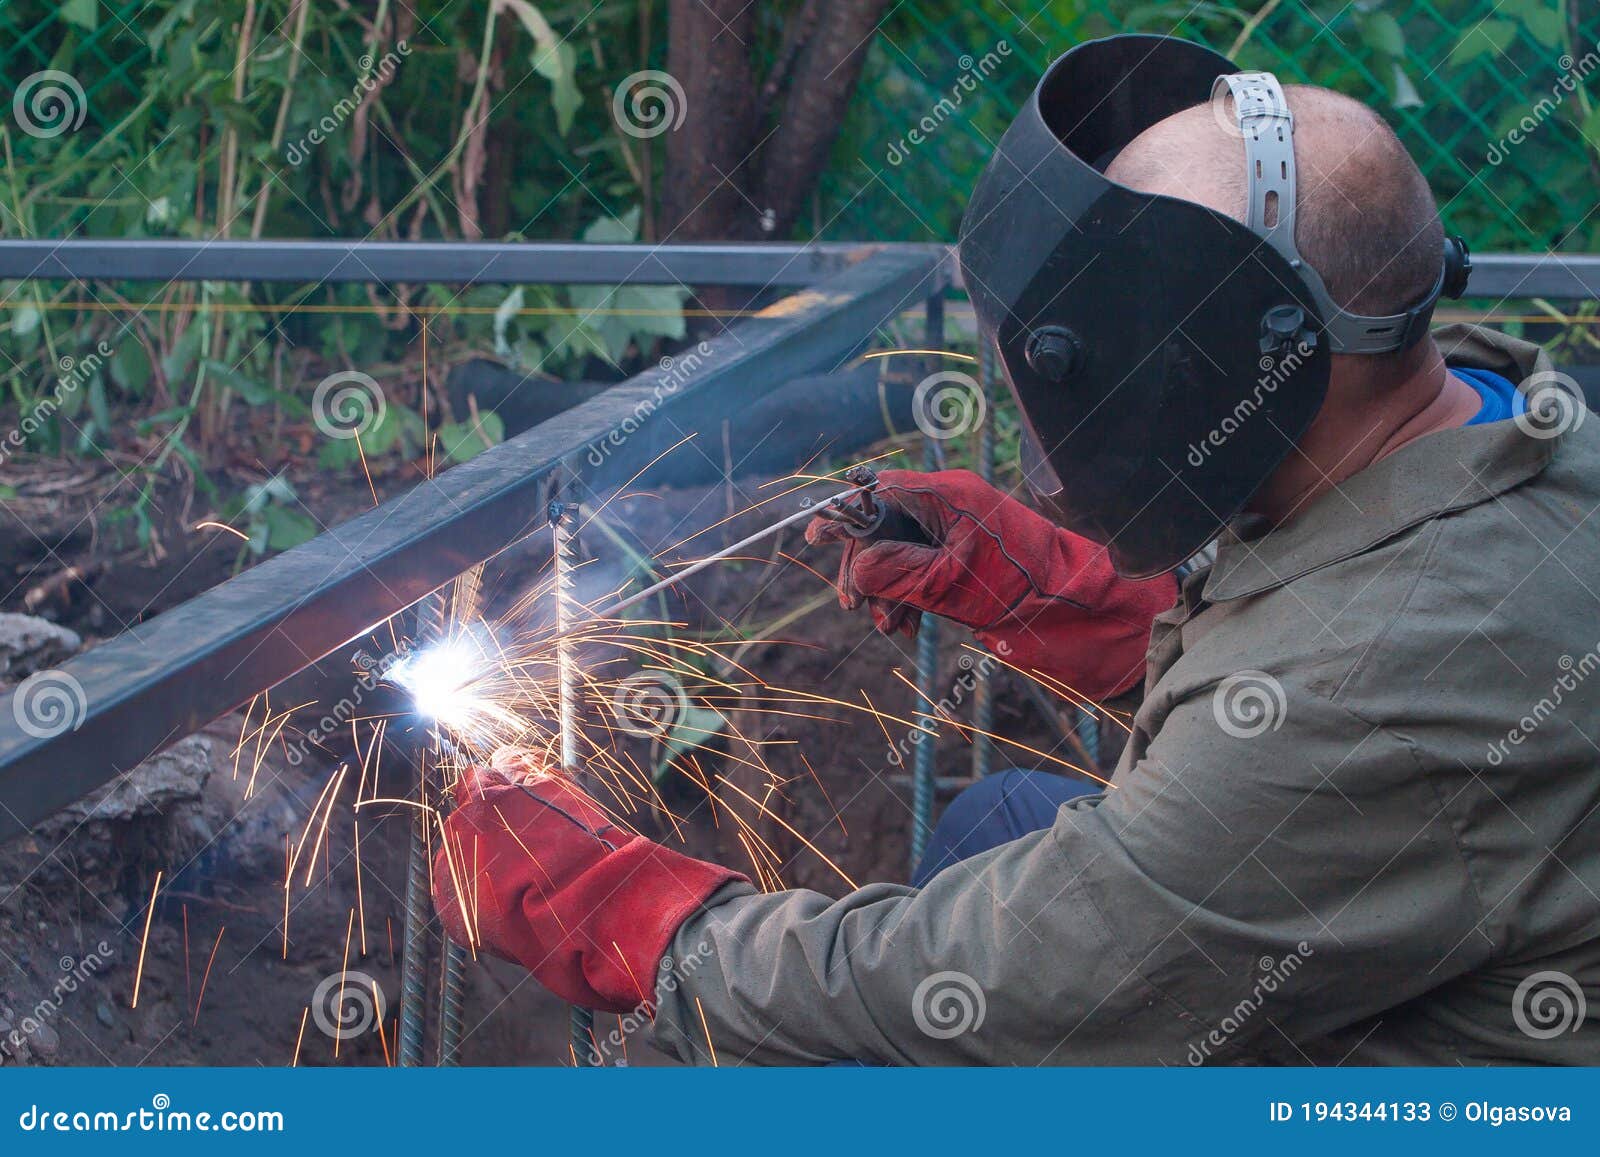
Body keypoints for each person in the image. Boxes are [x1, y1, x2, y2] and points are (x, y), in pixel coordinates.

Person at [432, 35, 1600, 1064]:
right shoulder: (1508, 427)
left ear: (1233, 356)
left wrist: (647, 922)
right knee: (1000, 820)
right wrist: (1083, 600)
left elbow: (1013, 995)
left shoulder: (1378, 680)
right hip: (1432, 938)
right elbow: (1345, 663)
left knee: (860, 1054)